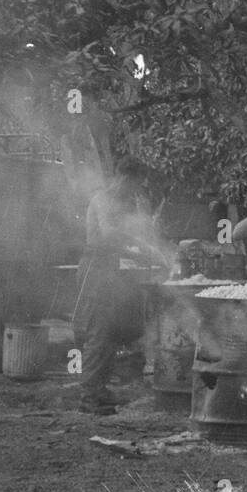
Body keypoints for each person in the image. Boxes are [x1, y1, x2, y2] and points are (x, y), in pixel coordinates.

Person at [73, 158, 164, 413]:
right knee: (98, 333)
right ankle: (89, 398)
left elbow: (124, 235)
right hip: (95, 269)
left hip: (110, 269)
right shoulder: (101, 199)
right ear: (125, 178)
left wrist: (146, 247)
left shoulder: (121, 202)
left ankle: (100, 390)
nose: (136, 190)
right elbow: (110, 235)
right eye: (135, 184)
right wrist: (141, 252)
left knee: (110, 333)